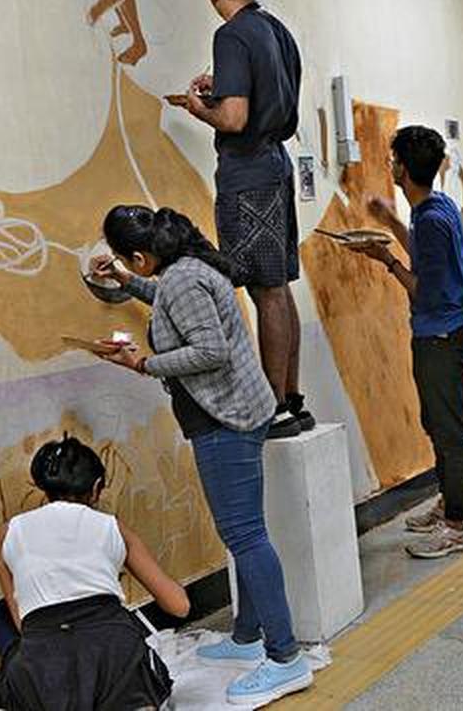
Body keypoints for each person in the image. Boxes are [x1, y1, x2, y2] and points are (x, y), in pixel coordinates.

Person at [90, 206, 313, 706]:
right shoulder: (184, 268)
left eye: (129, 261)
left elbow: (208, 350)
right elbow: (171, 300)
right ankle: (249, 635)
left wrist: (143, 363)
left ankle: (285, 657)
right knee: (246, 533)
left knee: (246, 537)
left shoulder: (182, 281)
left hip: (225, 421)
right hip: (240, 411)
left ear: (143, 255)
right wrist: (128, 282)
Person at [165, 0, 309, 439]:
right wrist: (221, 87)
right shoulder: (277, 31)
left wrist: (196, 107)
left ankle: (270, 407)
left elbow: (234, 117)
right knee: (280, 285)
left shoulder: (231, 34)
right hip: (278, 162)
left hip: (247, 171)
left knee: (264, 289)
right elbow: (269, 98)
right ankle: (292, 396)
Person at [349, 126, 463, 559]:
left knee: (449, 432)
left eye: (392, 159)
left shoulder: (435, 220)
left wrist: (384, 259)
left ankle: (457, 526)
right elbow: (423, 253)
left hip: (440, 335)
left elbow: (426, 289)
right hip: (441, 331)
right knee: (436, 424)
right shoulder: (434, 207)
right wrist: (389, 223)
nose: (391, 165)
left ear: (402, 167)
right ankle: (448, 503)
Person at [0, 434, 188, 710]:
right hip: (114, 655)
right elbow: (179, 606)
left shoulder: (8, 532)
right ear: (96, 488)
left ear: (42, 487)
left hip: (41, 669)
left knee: (2, 614)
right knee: (119, 624)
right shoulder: (112, 526)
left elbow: (23, 622)